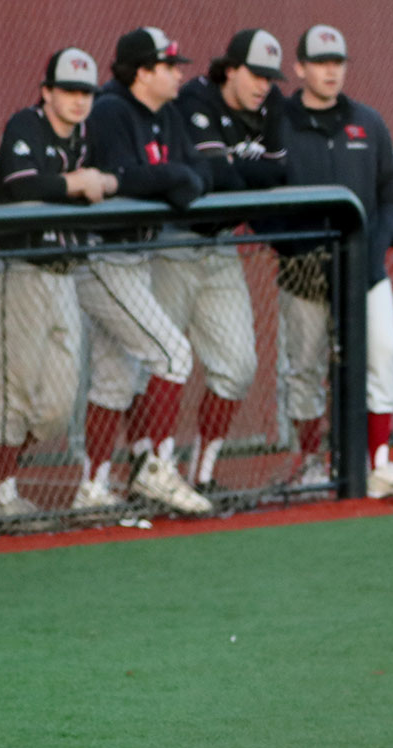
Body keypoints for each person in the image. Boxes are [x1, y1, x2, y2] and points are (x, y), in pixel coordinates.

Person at [0, 49, 117, 519]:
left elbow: (117, 175)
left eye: (85, 92)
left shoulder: (88, 134)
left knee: (56, 406)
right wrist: (78, 182)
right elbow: (23, 183)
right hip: (18, 271)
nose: (78, 100)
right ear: (46, 91)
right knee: (13, 392)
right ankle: (2, 494)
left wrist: (99, 180)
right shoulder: (25, 125)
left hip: (63, 275)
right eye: (68, 90)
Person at [276, 24, 393, 499]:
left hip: (365, 273)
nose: (330, 71)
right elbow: (263, 201)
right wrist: (294, 249)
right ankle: (310, 462)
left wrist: (372, 251)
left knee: (384, 352)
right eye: (319, 62)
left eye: (337, 62)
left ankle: (378, 462)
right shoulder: (279, 122)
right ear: (299, 68)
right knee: (303, 367)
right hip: (304, 275)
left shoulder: (368, 123)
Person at [76, 25, 211, 515]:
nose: (178, 74)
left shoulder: (167, 113)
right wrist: (173, 177)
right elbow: (124, 180)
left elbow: (199, 171)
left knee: (114, 379)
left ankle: (91, 485)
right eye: (168, 66)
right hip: (101, 257)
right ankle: (157, 467)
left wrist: (174, 177)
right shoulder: (111, 110)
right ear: (141, 73)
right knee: (173, 354)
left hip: (136, 258)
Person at [162, 27, 288, 492]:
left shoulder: (270, 104)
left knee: (238, 366)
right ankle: (151, 469)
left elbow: (280, 171)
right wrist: (249, 177)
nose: (263, 86)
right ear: (229, 69)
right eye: (255, 75)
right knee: (159, 364)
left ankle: (203, 473)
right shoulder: (195, 100)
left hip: (218, 246)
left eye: (270, 77)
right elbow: (217, 177)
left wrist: (244, 175)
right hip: (170, 243)